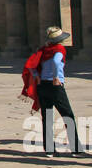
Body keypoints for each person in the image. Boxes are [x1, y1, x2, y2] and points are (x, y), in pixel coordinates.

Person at [22, 26, 85, 156]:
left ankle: (49, 149)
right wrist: (56, 76)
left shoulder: (43, 50)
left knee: (47, 117)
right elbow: (57, 62)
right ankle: (76, 148)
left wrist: (36, 76)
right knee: (68, 116)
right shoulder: (59, 49)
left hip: (42, 86)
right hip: (55, 86)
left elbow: (31, 65)